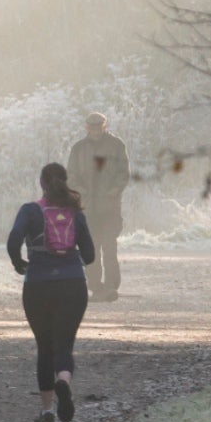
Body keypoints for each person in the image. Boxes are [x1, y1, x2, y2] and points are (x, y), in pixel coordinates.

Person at [6, 161, 97, 422]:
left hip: (37, 286)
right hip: (72, 285)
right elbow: (89, 256)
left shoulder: (30, 211)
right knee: (64, 343)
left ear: (42, 184)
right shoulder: (76, 214)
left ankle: (47, 412)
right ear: (65, 182)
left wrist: (18, 262)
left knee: (44, 346)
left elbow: (13, 240)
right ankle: (63, 382)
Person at [63, 112, 131, 300]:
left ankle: (111, 287)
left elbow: (123, 174)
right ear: (86, 127)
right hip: (87, 209)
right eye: (92, 127)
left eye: (98, 126)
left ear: (104, 126)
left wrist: (113, 192)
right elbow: (71, 176)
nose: (95, 130)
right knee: (91, 250)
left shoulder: (117, 145)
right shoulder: (78, 148)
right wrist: (81, 193)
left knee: (110, 248)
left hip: (110, 208)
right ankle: (96, 287)